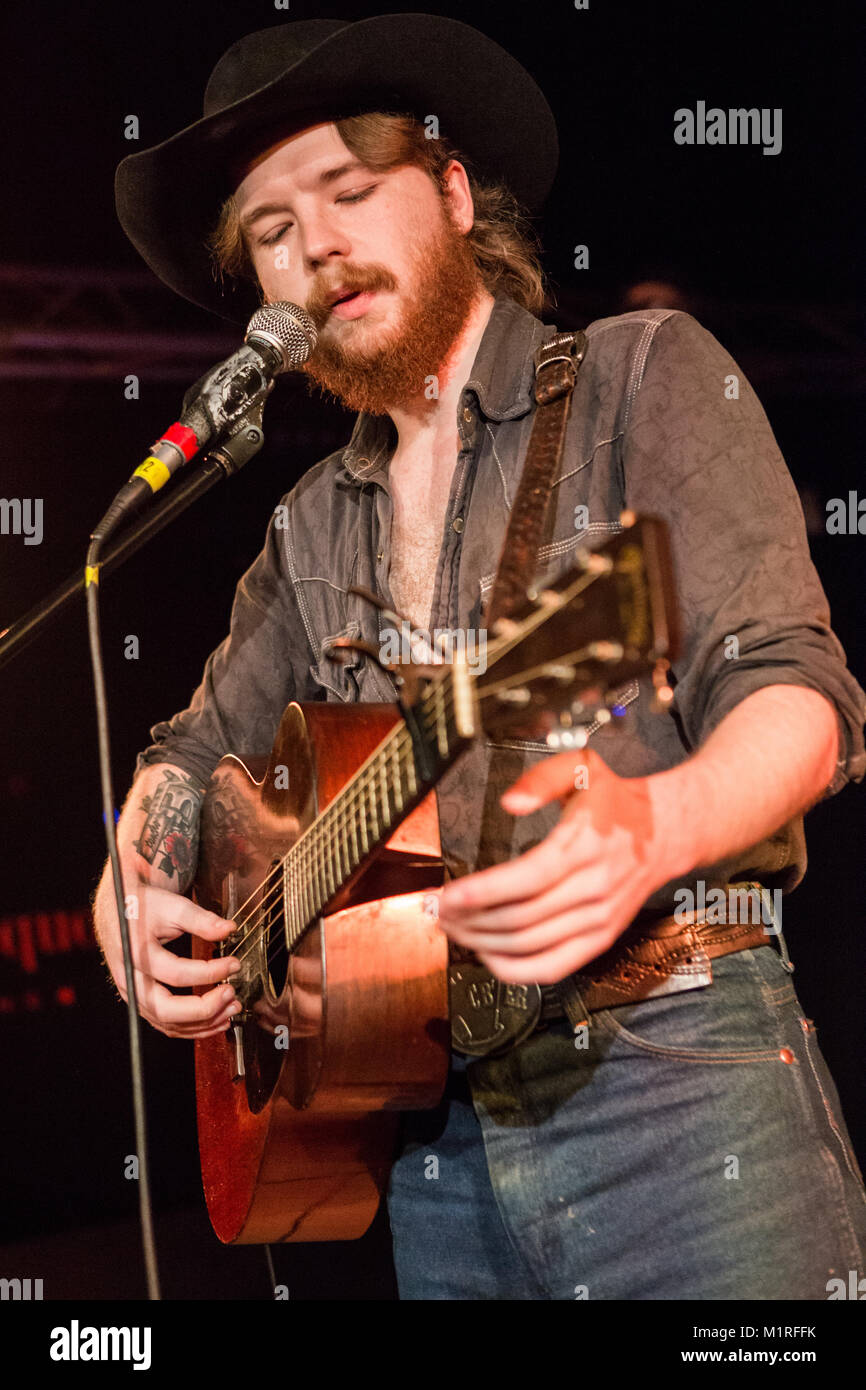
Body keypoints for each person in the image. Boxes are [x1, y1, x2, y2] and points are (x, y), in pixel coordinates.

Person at [95, 16, 866, 1299]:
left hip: (673, 1081)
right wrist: (136, 887)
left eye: (348, 192)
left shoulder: (639, 377)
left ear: (454, 194)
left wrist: (657, 823)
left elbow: (800, 690)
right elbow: (186, 753)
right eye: (276, 232)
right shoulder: (308, 523)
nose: (319, 248)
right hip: (426, 1139)